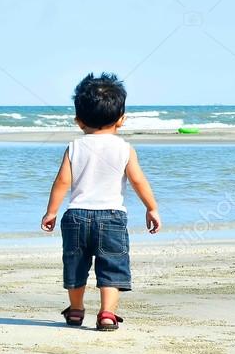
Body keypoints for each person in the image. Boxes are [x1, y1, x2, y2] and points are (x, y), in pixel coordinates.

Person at [40, 72, 161, 330]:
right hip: (112, 217)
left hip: (76, 216)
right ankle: (107, 314)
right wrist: (151, 208)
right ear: (121, 119)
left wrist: (51, 212)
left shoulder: (74, 146)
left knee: (75, 263)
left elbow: (62, 181)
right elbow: (138, 180)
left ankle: (75, 310)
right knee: (112, 265)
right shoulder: (124, 148)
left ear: (79, 120)